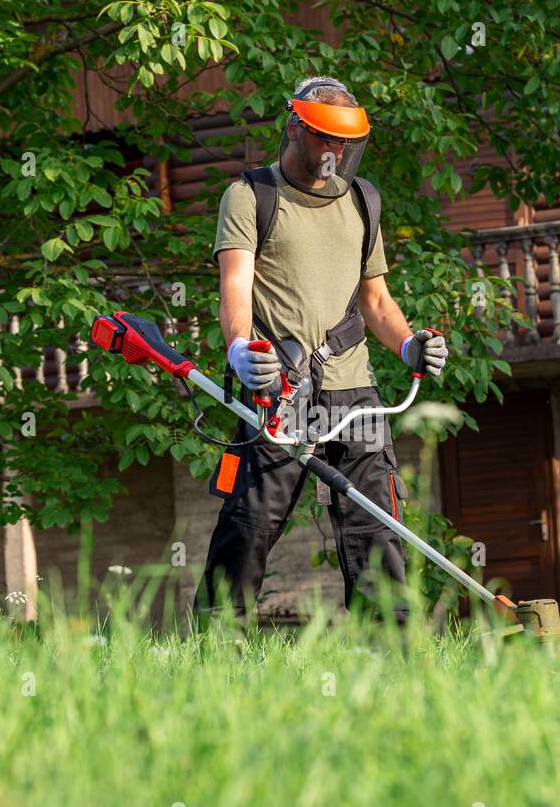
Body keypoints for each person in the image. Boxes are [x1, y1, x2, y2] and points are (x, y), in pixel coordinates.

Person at [192, 75, 447, 625]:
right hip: (278, 389)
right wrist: (239, 348)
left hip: (354, 391)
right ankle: (214, 645)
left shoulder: (363, 200)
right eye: (325, 139)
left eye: (345, 143)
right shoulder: (250, 195)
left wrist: (408, 346)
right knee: (250, 523)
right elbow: (235, 288)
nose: (335, 152)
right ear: (294, 128)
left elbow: (376, 300)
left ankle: (389, 649)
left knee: (375, 524)